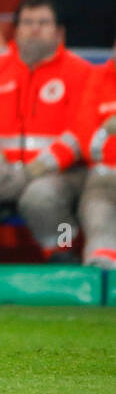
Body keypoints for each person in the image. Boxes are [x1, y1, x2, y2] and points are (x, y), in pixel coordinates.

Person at [0, 0, 93, 265]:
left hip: (60, 173)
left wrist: (34, 170)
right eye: (27, 22)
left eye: (43, 22)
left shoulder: (81, 73)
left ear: (59, 31)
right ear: (16, 30)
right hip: (0, 171)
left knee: (41, 196)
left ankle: (63, 257)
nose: (34, 29)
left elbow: (79, 136)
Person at [76, 42, 116, 267]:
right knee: (97, 216)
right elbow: (87, 141)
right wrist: (105, 132)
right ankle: (61, 252)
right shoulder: (96, 79)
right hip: (103, 179)